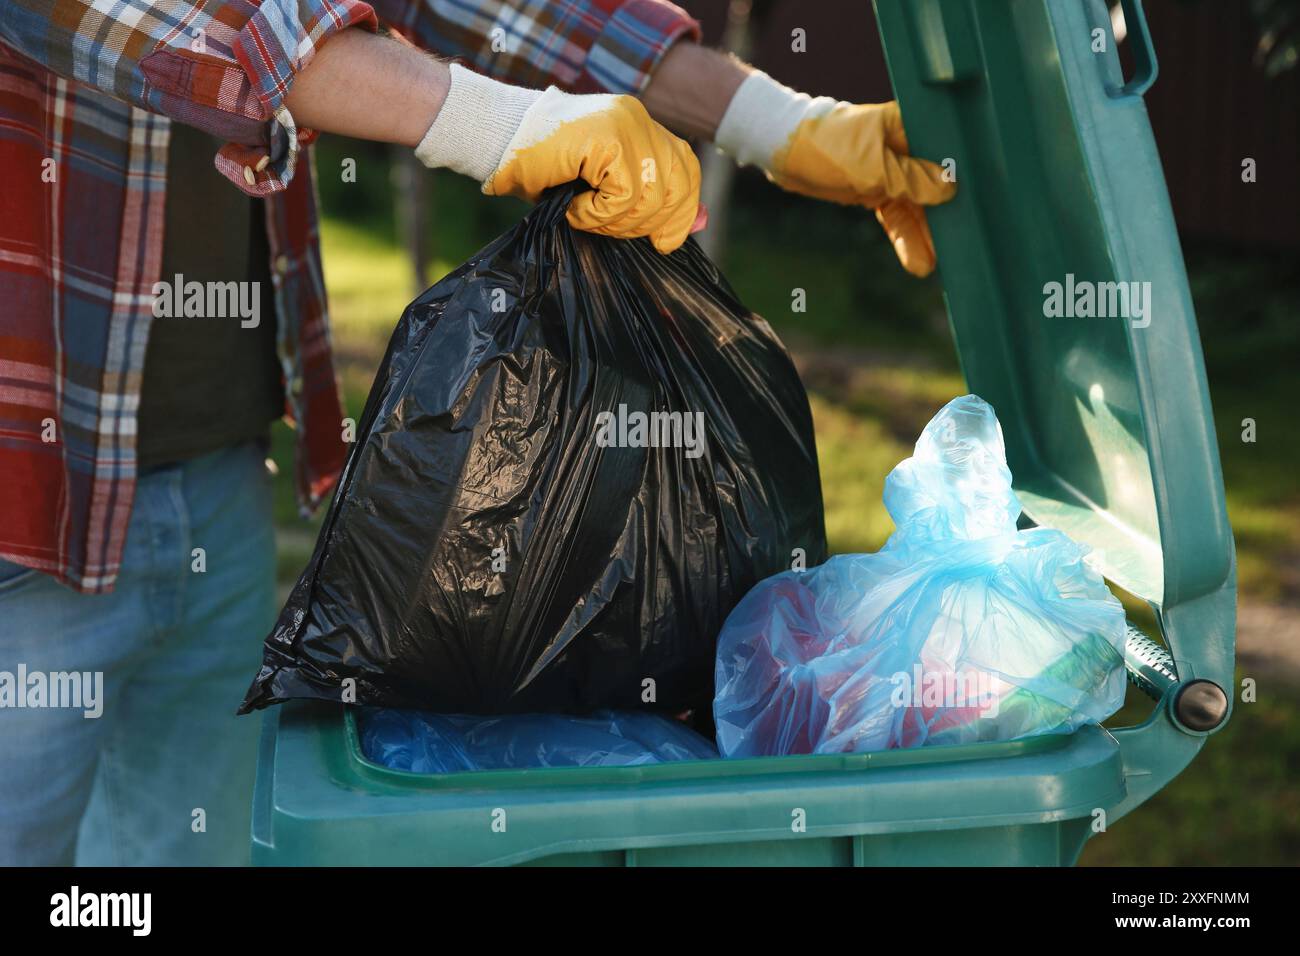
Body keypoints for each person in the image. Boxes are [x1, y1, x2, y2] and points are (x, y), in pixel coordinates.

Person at [0, 0, 954, 865]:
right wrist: (501, 123)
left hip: (221, 475)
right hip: (22, 509)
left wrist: (782, 125)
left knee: (173, 862)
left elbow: (486, 9)